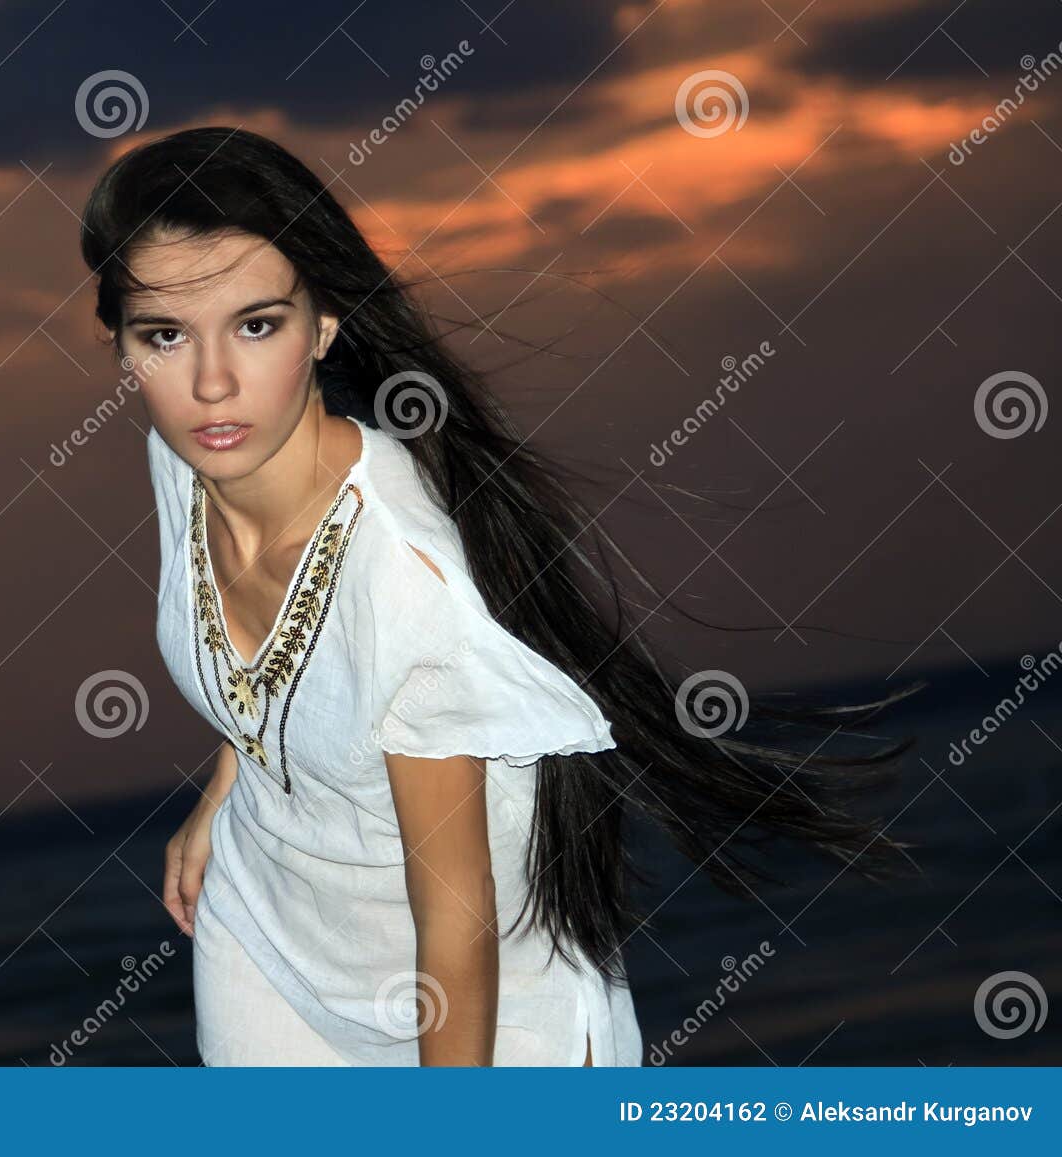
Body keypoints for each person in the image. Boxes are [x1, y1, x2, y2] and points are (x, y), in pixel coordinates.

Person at [78, 126, 921, 1066]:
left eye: (257, 324)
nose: (211, 382)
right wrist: (230, 781)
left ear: (323, 324)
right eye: (164, 335)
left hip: (481, 999)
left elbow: (457, 923)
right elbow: (279, 664)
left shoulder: (401, 580)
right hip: (268, 942)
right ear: (119, 344)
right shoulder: (184, 457)